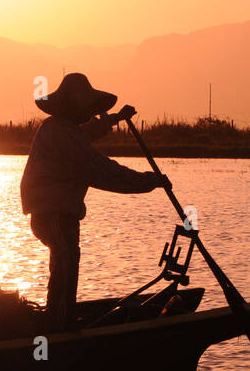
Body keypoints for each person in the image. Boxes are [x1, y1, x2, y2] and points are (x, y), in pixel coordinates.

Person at [20, 73, 169, 330]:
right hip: (51, 213)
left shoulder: (63, 129)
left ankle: (59, 318)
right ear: (72, 107)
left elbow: (85, 132)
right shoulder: (60, 135)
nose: (90, 113)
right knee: (66, 258)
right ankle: (58, 325)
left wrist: (114, 119)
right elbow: (103, 171)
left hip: (60, 213)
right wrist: (149, 181)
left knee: (66, 258)